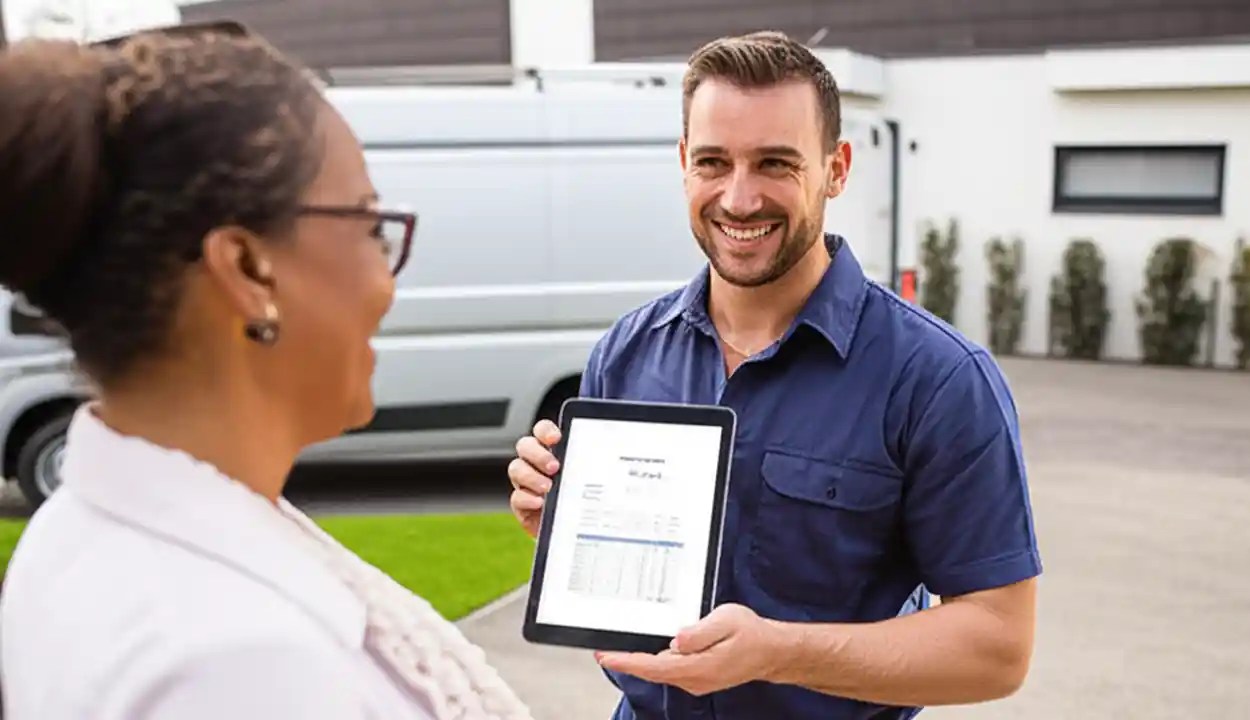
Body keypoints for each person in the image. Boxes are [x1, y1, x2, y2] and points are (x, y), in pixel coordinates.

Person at [0, 22, 533, 720]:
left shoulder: (72, 533)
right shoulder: (241, 666)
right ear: (247, 269)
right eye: (370, 226)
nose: (386, 281)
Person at [507, 30, 1042, 720]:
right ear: (683, 163)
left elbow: (997, 647)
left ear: (836, 169)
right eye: (713, 162)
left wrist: (778, 653)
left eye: (774, 164)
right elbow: (625, 595)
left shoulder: (938, 379)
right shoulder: (628, 352)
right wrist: (566, 527)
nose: (739, 198)